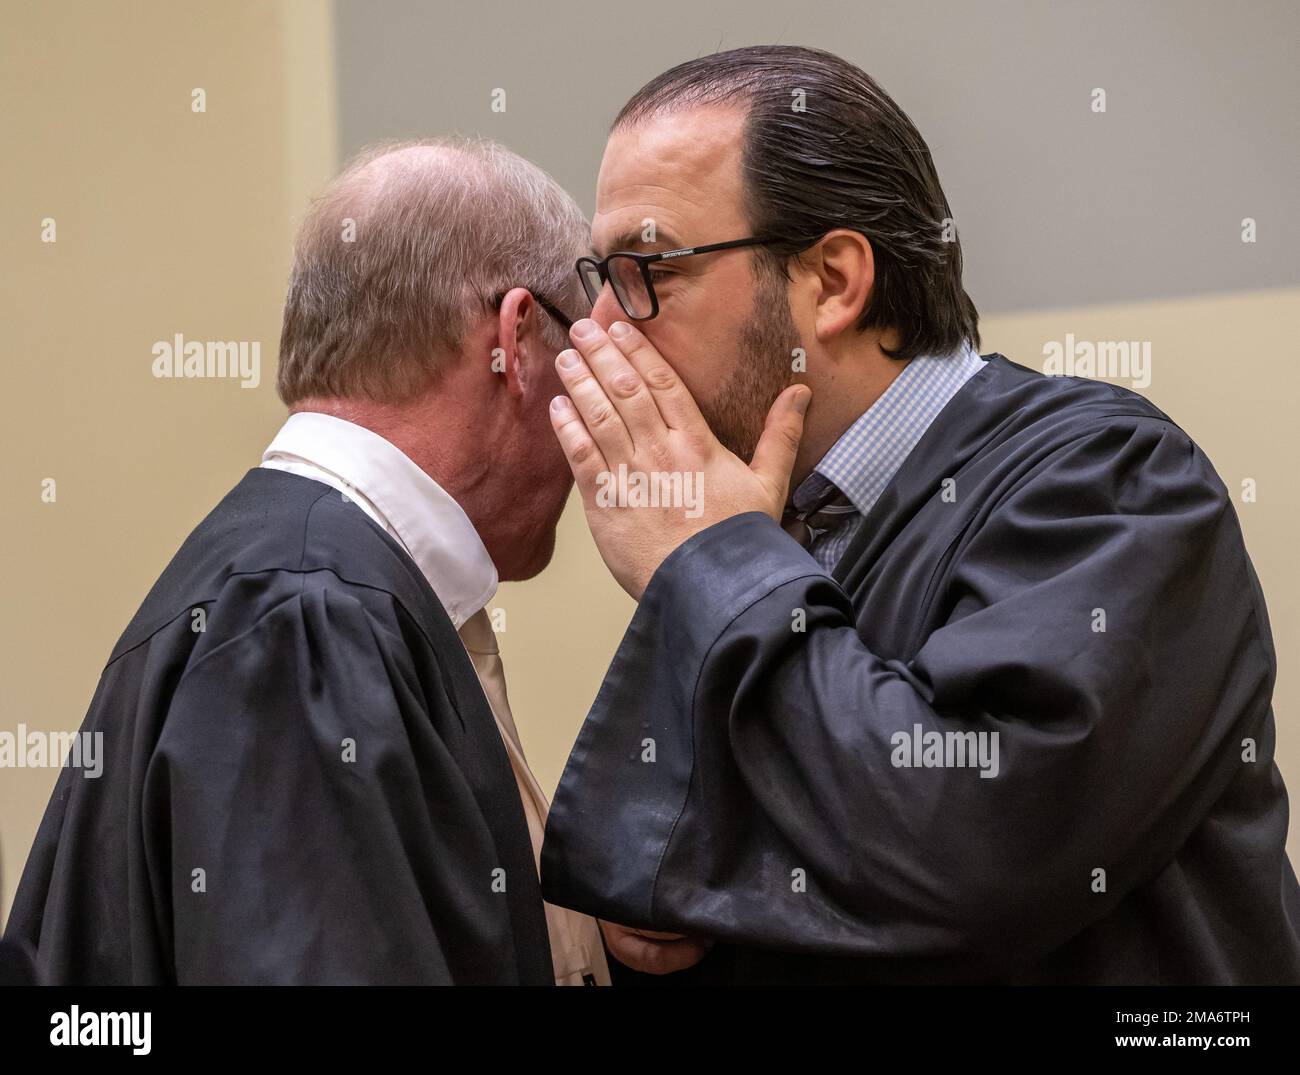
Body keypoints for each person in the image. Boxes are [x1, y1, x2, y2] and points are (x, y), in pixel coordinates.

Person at [538, 45, 1300, 984]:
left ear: (834, 282)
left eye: (649, 267)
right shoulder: (752, 525)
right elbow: (652, 875)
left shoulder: (1113, 480)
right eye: (601, 278)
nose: (607, 329)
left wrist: (713, 563)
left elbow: (971, 850)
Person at [6, 138, 610, 985]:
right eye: (583, 352)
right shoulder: (303, 616)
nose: (597, 400)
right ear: (513, 342)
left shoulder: (305, 584)